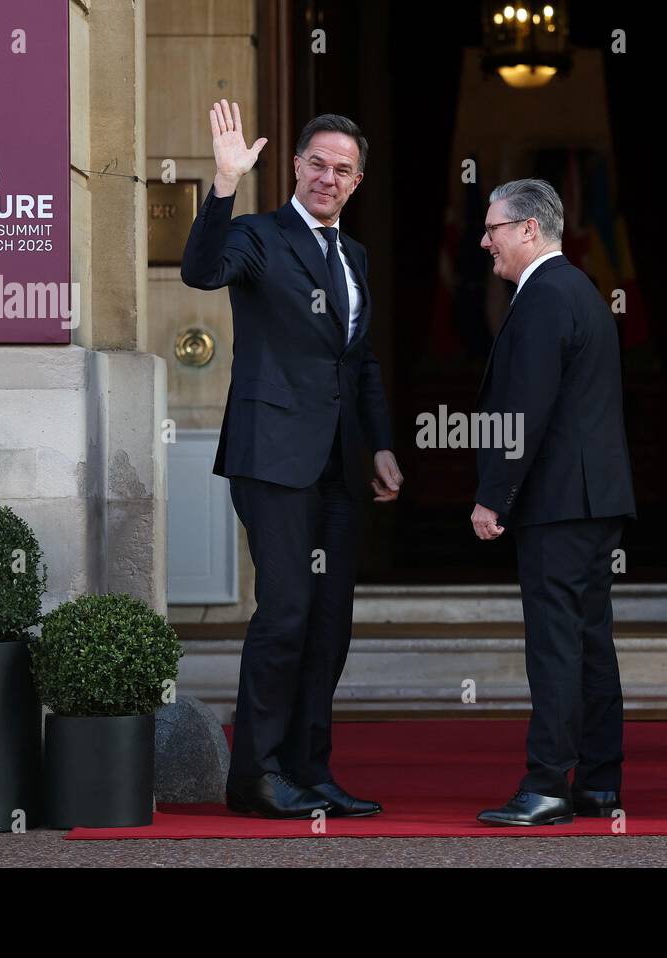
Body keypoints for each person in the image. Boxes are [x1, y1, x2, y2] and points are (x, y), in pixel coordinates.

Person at [181, 101, 403, 819]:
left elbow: (359, 362)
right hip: (272, 457)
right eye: (317, 164)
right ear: (295, 166)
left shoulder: (354, 257)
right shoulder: (258, 236)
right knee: (285, 611)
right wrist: (222, 185)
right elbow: (200, 270)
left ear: (358, 180)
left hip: (339, 468)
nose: (328, 178)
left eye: (342, 169)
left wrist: (382, 445)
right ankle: (256, 774)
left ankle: (309, 770)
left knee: (330, 619)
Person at [471, 178, 638, 826]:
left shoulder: (542, 296)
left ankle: (546, 787)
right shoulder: (580, 290)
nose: (485, 241)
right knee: (591, 641)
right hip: (592, 503)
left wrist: (493, 497)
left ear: (529, 229)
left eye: (494, 229)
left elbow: (525, 410)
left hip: (558, 504)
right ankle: (599, 784)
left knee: (555, 646)